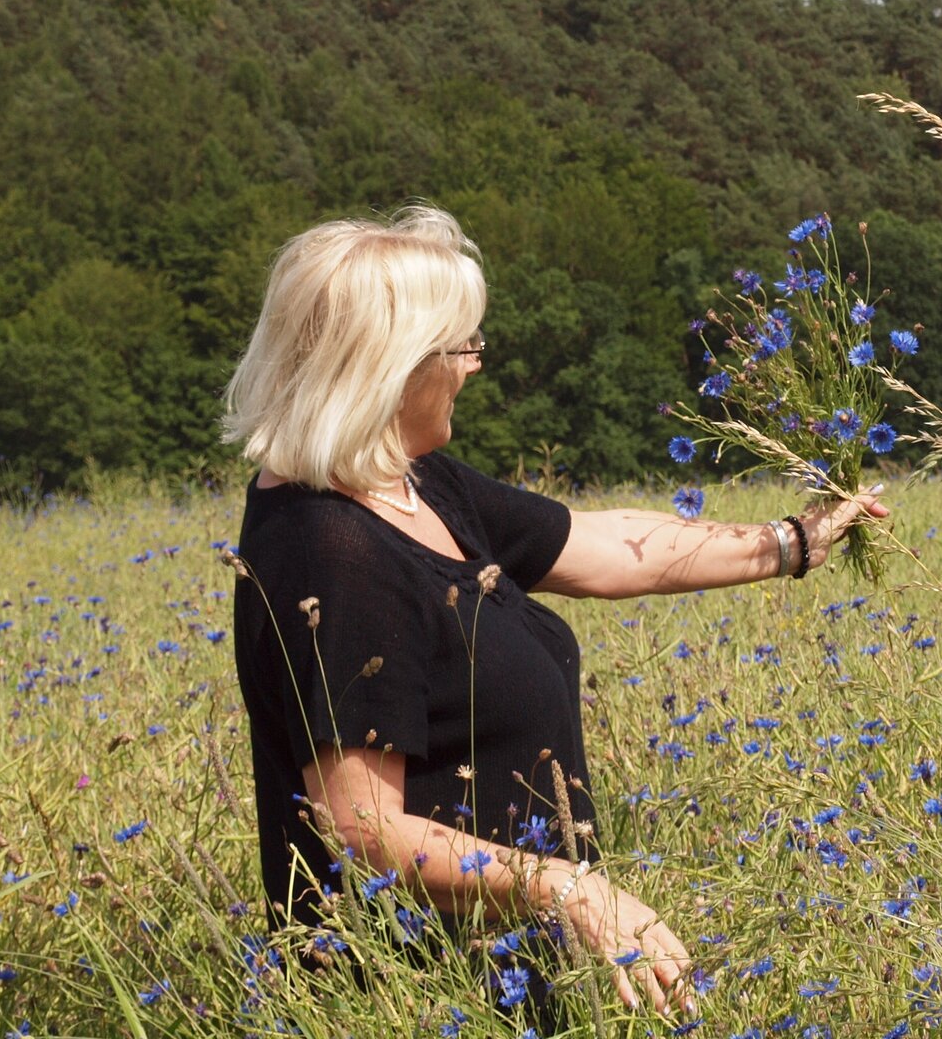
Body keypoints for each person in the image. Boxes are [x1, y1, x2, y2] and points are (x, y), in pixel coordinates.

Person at [222, 205, 889, 1017]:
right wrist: (564, 889)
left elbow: (602, 546)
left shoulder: (410, 482)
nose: (474, 365)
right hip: (422, 997)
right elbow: (360, 828)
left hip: (500, 962)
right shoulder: (332, 551)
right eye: (461, 346)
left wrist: (790, 542)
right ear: (391, 366)